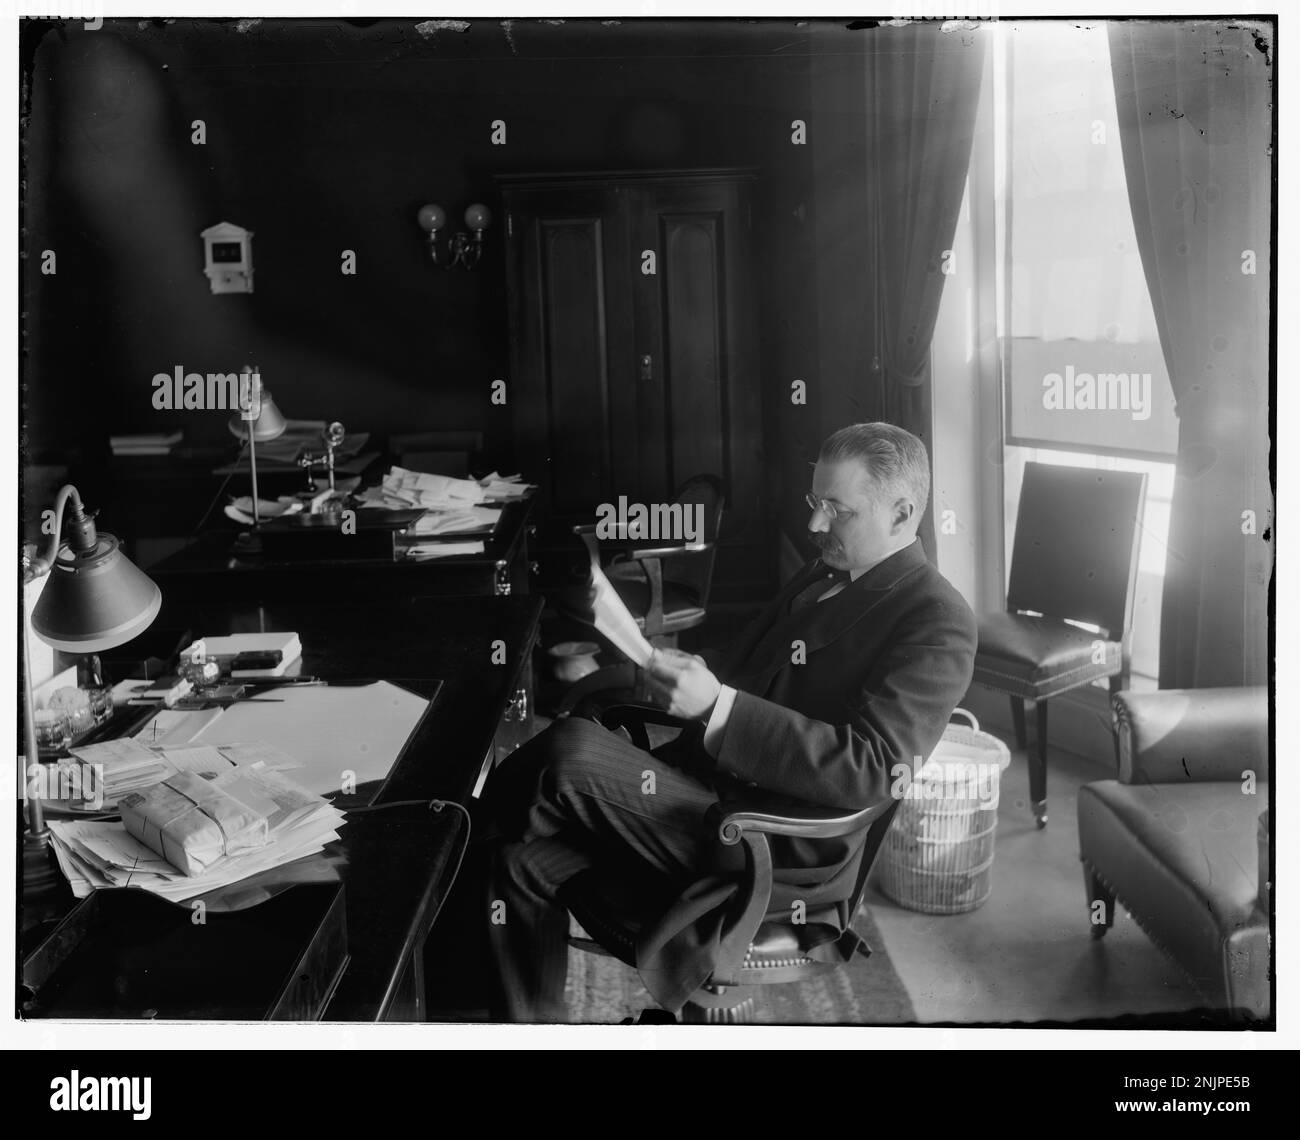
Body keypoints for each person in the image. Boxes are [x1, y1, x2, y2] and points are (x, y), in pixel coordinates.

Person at [481, 422, 978, 1021]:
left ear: (902, 513)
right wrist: (675, 672)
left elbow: (876, 769)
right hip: (708, 791)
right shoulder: (825, 571)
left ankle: (452, 832)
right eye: (814, 503)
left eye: (837, 510)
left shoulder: (937, 618)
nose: (816, 525)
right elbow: (748, 674)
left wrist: (718, 707)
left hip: (773, 839)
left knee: (567, 752)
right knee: (513, 865)